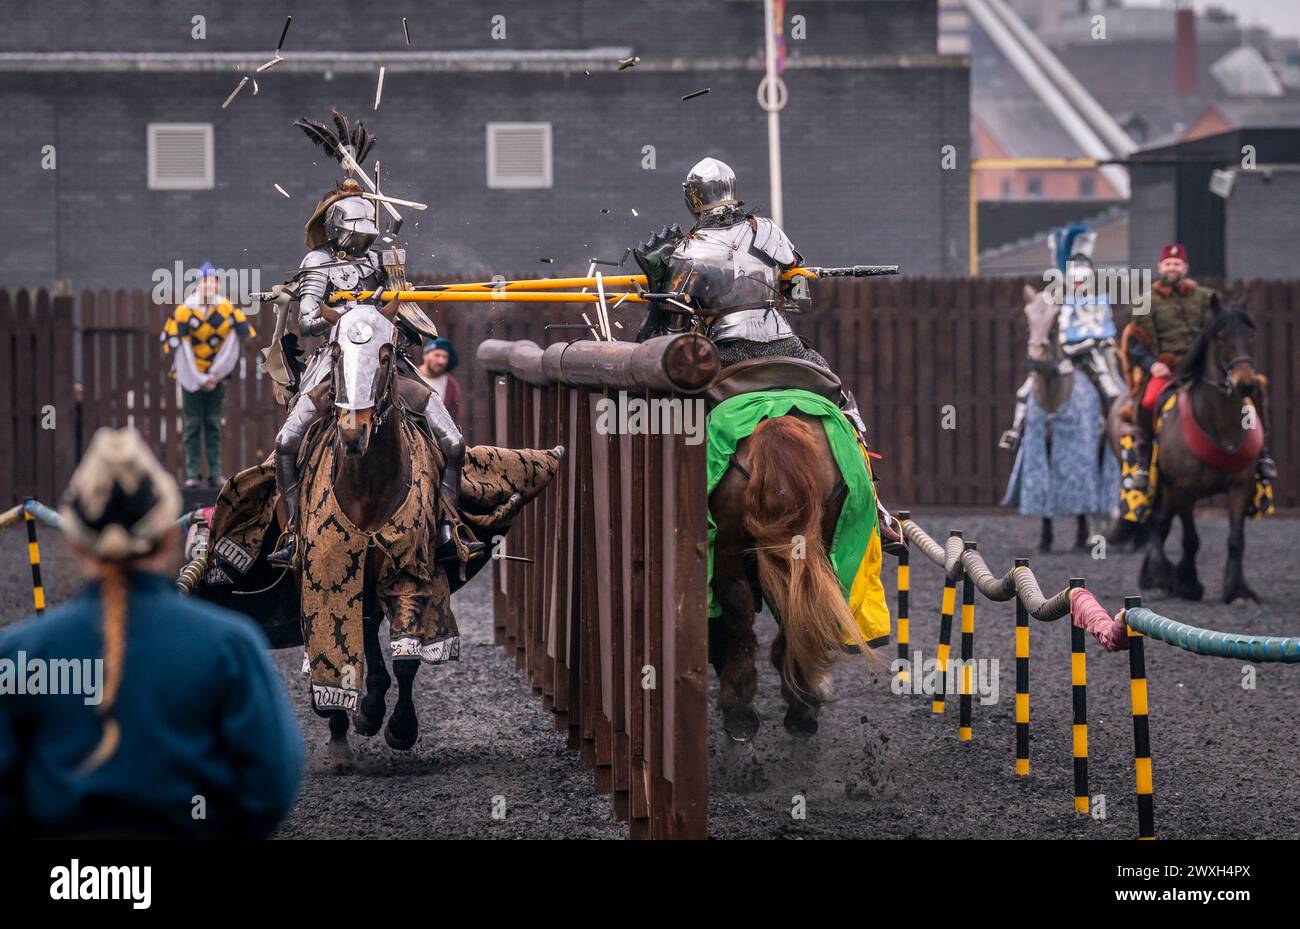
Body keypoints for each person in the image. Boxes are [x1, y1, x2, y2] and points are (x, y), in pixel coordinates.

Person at [0, 427, 303, 838]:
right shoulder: (229, 647)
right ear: (166, 537)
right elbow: (270, 785)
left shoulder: (20, 656)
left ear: (74, 542)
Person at [631, 156, 901, 544]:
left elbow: (672, 330)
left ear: (693, 198)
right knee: (840, 400)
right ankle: (876, 506)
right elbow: (797, 297)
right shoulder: (769, 231)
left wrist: (661, 286)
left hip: (726, 349)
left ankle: (671, 515)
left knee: (676, 414)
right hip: (785, 344)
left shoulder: (688, 250)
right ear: (732, 190)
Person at [264, 178, 476, 567]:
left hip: (385, 364)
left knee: (452, 440)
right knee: (285, 441)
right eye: (355, 234)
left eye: (366, 236)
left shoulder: (381, 261)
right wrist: (354, 310)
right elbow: (309, 320)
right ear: (336, 229)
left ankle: (449, 525)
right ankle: (293, 533)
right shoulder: (316, 263)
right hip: (335, 362)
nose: (362, 243)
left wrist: (393, 297)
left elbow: (408, 322)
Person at [1124, 243, 1276, 491]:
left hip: (1202, 367)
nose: (1172, 268)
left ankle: (1262, 453)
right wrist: (1152, 366)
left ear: (1185, 268)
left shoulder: (1206, 298)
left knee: (1252, 396)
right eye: (1168, 264)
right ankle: (1143, 462)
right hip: (1167, 368)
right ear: (1160, 267)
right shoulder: (1144, 301)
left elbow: (1223, 332)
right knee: (1148, 401)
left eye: (1177, 264)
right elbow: (1134, 342)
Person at [1000, 223, 1124, 452]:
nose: (1077, 285)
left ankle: (1111, 427)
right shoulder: (1058, 301)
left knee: (1110, 387)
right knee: (1026, 389)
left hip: (1089, 353)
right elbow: (1051, 330)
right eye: (1074, 280)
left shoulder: (1097, 303)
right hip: (1064, 354)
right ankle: (1016, 430)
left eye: (1081, 281)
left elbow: (1102, 329)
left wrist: (1099, 342)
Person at [160, 262, 254, 488]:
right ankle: (192, 473)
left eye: (212, 282)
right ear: (198, 285)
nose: (208, 286)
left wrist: (215, 374)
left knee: (213, 423)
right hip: (189, 375)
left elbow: (235, 340)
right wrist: (197, 377)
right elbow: (179, 345)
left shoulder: (226, 309)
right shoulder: (185, 311)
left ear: (217, 285)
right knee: (192, 424)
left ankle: (214, 472)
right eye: (205, 282)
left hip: (216, 377)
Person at [418, 337, 462, 422]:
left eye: (445, 357)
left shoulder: (451, 386)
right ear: (425, 355)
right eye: (437, 355)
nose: (441, 361)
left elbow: (452, 420)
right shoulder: (410, 377)